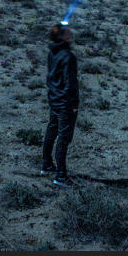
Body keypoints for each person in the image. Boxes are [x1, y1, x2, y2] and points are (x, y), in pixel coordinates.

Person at [42, 23, 79, 185]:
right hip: (65, 103)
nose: (70, 31)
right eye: (67, 30)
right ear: (63, 36)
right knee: (63, 138)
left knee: (52, 131)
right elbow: (70, 83)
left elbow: (51, 76)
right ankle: (61, 176)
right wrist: (73, 104)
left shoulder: (53, 51)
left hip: (54, 99)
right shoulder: (68, 56)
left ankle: (46, 164)